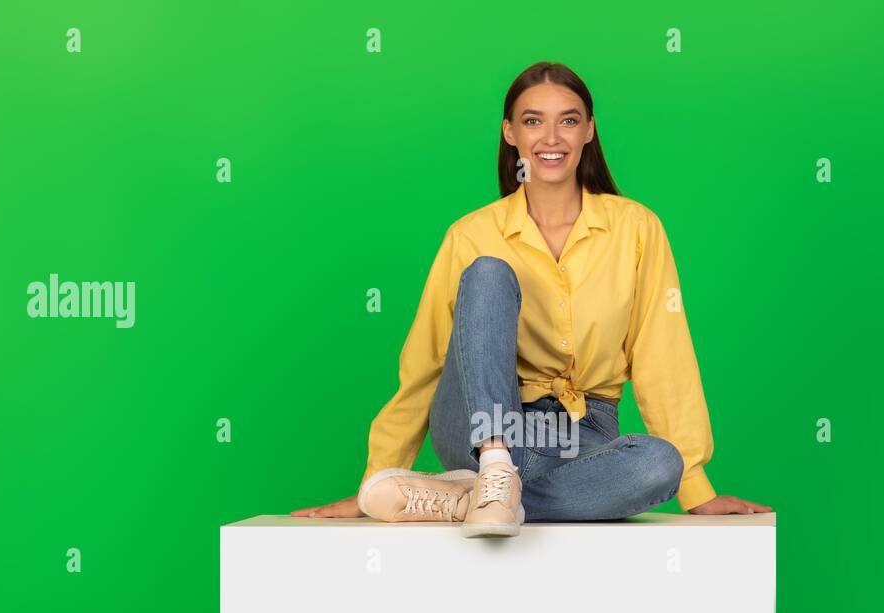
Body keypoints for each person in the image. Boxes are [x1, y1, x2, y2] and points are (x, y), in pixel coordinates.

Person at [293, 61, 772, 537]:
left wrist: (695, 485)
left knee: (659, 464)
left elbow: (662, 352)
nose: (551, 137)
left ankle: (469, 499)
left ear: (588, 131)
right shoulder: (471, 234)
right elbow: (425, 363)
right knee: (487, 273)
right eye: (532, 120)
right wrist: (375, 477)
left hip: (582, 433)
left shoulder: (636, 229)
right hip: (480, 424)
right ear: (509, 133)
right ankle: (494, 471)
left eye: (568, 120)